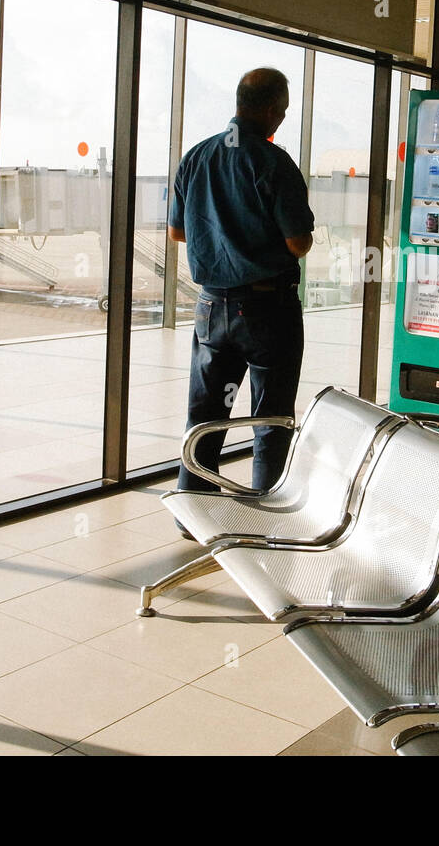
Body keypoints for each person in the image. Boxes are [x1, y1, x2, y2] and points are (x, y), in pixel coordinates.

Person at [167, 68, 313, 533]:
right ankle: (265, 518)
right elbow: (298, 242)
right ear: (271, 108)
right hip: (268, 310)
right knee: (271, 417)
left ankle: (194, 514)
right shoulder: (272, 161)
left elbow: (176, 232)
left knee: (205, 414)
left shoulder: (196, 156)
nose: (283, 120)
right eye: (285, 111)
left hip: (211, 308)